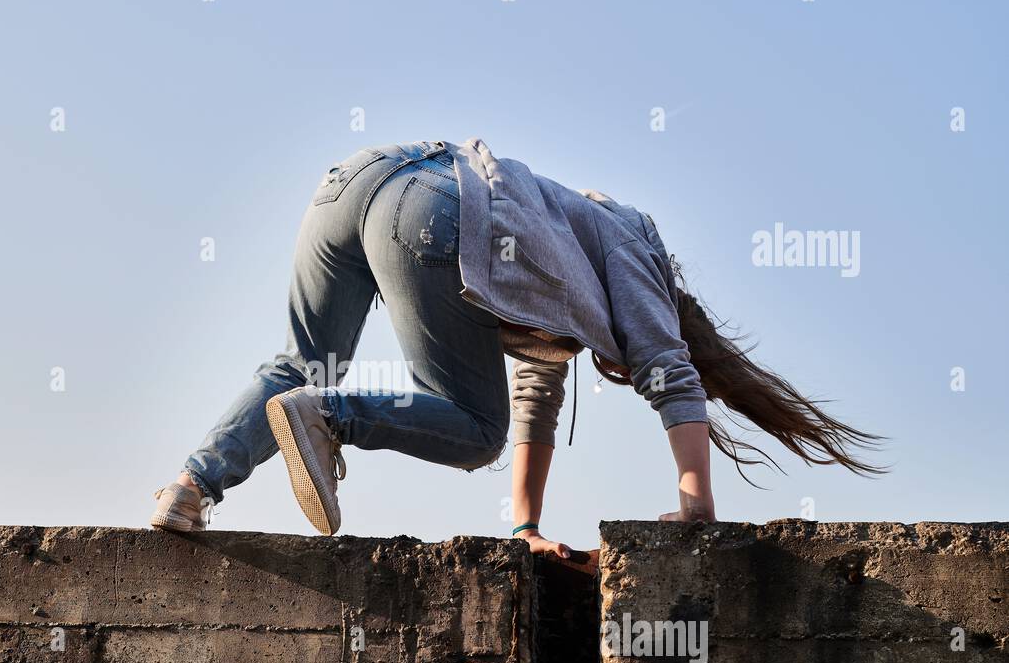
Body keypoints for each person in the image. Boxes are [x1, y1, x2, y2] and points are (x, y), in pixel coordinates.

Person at [149, 139, 883, 557]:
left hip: (353, 184)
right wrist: (697, 503)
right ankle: (329, 417)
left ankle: (189, 489)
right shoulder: (633, 245)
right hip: (436, 209)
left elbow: (537, 395)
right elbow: (668, 368)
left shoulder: (557, 269)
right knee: (474, 432)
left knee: (300, 362)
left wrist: (525, 528)